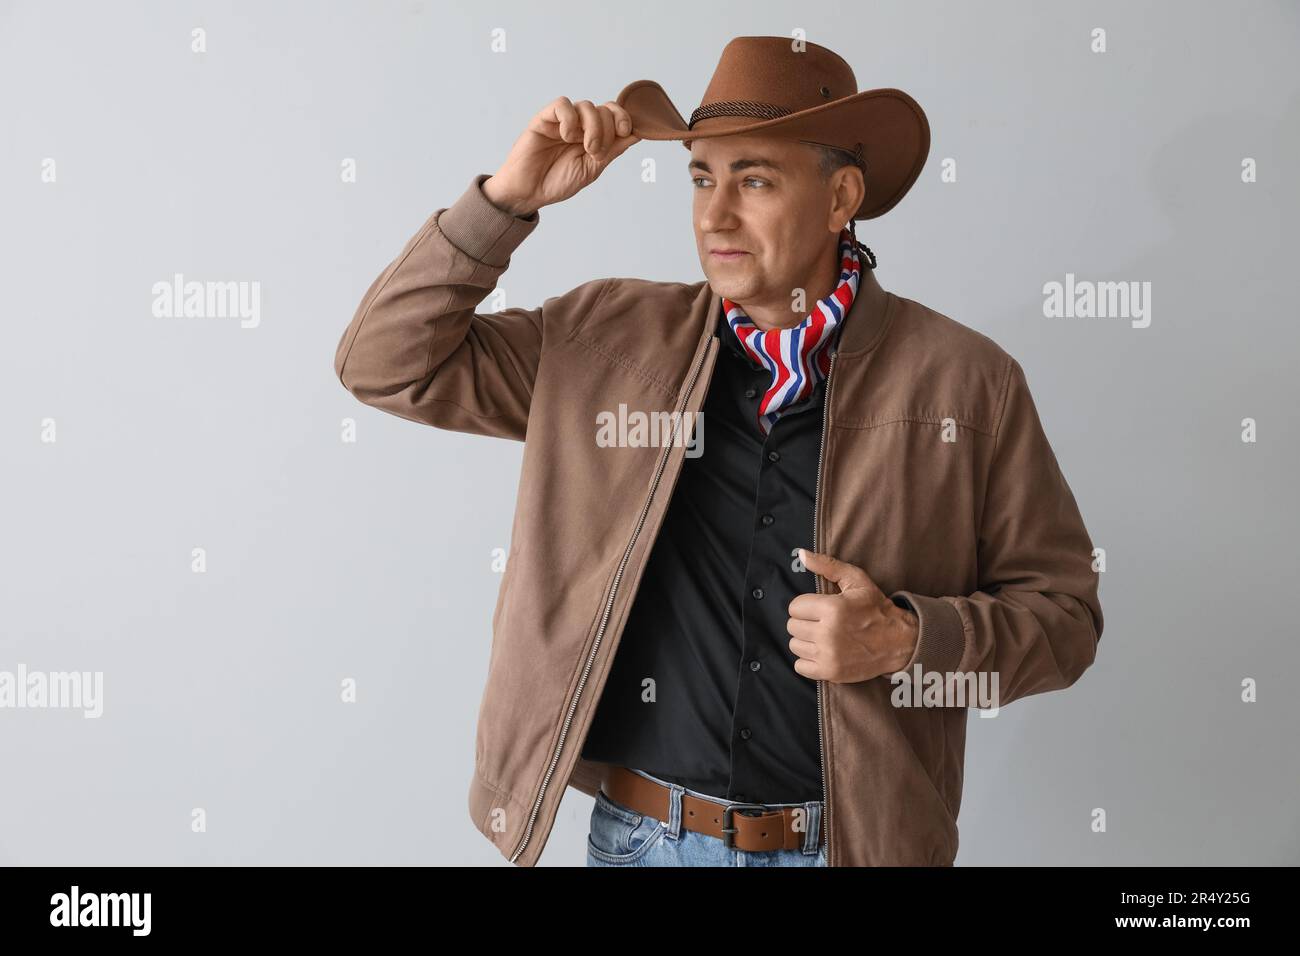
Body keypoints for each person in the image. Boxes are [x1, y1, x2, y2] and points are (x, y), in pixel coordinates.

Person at [333, 36, 1103, 867]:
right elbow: (383, 363)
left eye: (755, 180)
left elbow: (1064, 622)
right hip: (637, 841)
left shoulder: (965, 383)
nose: (715, 213)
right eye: (701, 177)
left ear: (841, 195)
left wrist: (909, 639)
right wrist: (507, 199)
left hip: (845, 850)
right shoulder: (602, 342)